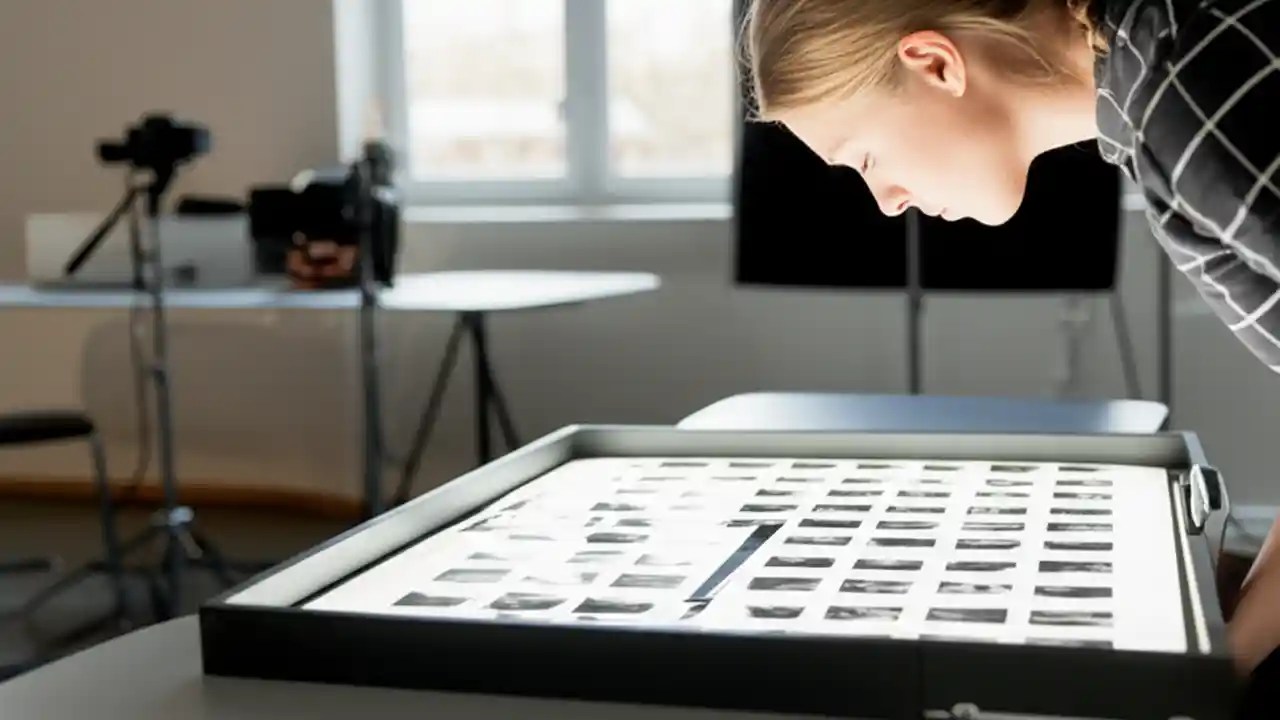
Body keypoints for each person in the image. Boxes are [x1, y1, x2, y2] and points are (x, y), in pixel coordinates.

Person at [739, 0, 1278, 712]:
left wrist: (1214, 679)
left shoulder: (1187, 102)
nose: (887, 202)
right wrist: (1221, 657)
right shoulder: (1159, 89)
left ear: (935, 64)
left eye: (865, 159)